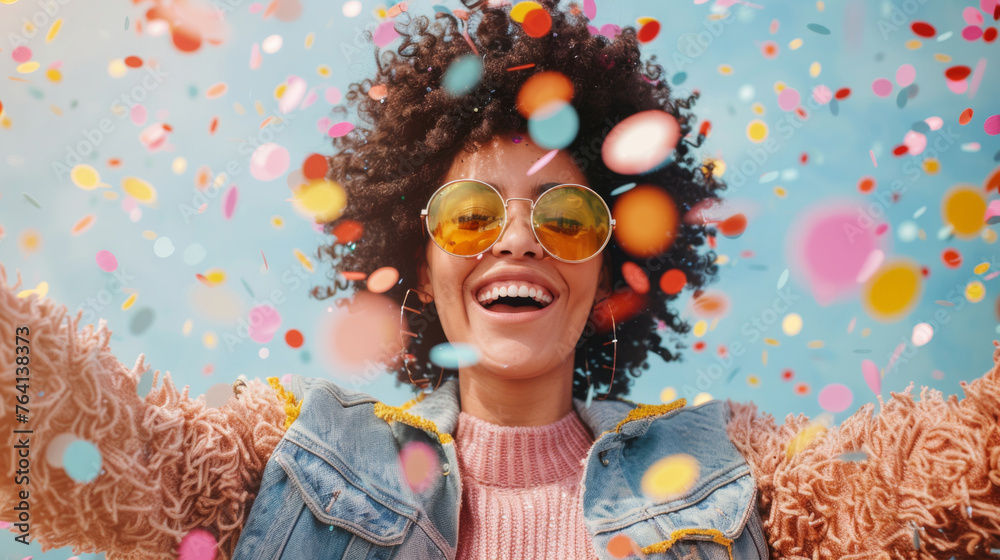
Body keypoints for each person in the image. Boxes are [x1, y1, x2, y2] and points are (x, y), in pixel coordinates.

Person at [2, 1, 999, 559]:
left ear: (613, 266)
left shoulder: (745, 474)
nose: (517, 243)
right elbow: (57, 429)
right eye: (472, 215)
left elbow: (950, 480)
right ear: (419, 261)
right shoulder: (286, 460)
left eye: (565, 217)